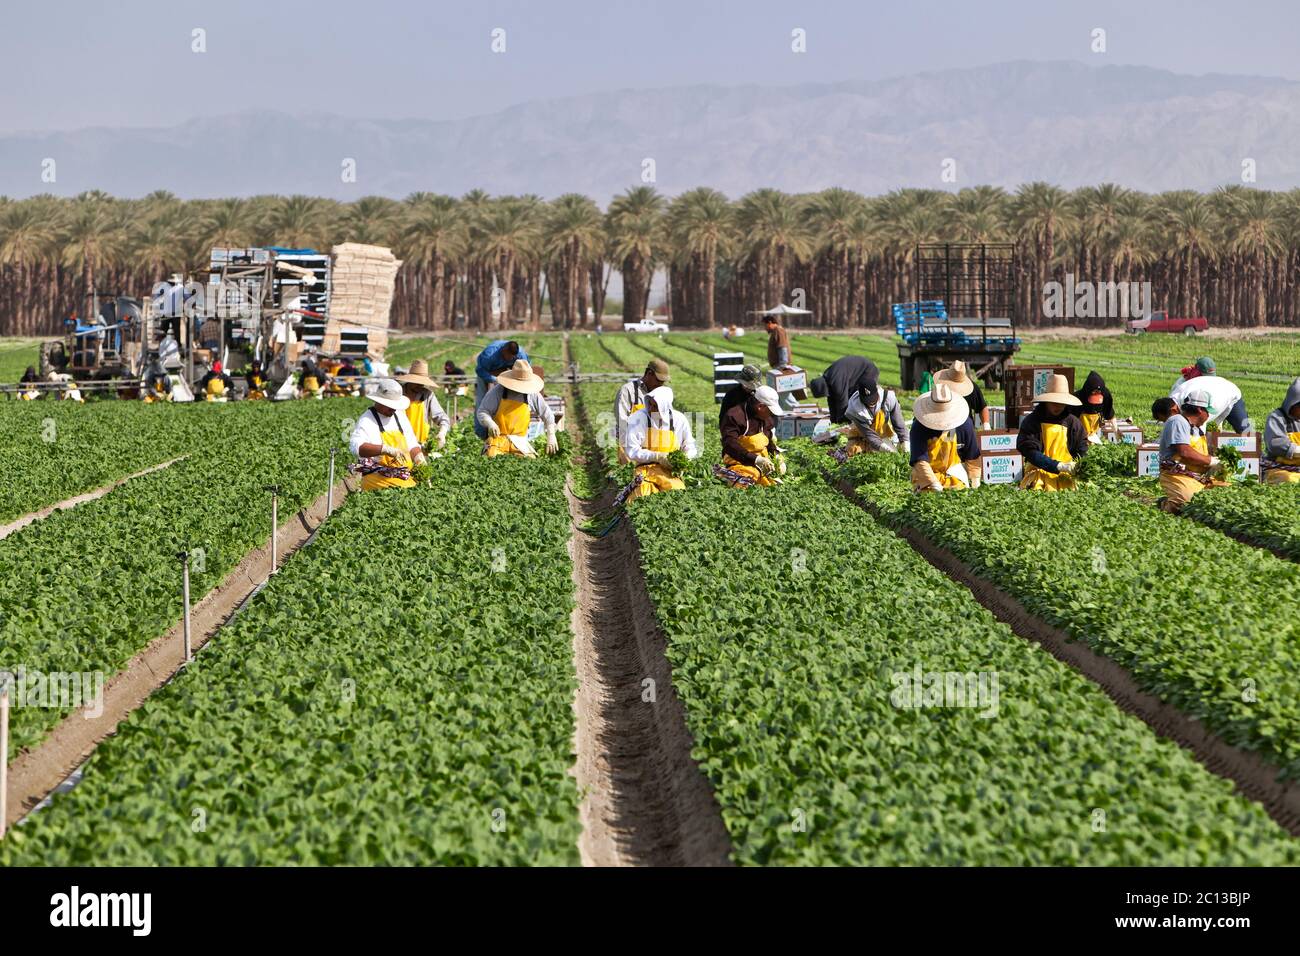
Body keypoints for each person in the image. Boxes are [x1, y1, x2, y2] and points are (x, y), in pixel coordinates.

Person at [349, 378, 425, 491]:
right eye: (390, 406)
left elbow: (411, 442)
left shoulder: (399, 415)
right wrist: (384, 449)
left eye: (395, 406)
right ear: (379, 401)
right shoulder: (367, 420)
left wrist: (419, 457)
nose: (393, 409)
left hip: (403, 478)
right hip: (378, 483)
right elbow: (356, 447)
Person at [1157, 389, 1226, 512]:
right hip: (1176, 475)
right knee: (1187, 502)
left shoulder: (1196, 429)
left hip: (1196, 477)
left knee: (1225, 492)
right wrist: (1211, 461)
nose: (1208, 416)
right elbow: (1184, 452)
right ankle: (1166, 503)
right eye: (1207, 411)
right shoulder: (1177, 421)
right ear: (1200, 410)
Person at [623, 385, 699, 498]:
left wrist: (685, 460)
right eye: (650, 404)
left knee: (676, 493)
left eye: (656, 406)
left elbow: (689, 445)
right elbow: (632, 450)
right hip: (645, 469)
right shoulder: (638, 418)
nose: (651, 409)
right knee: (643, 493)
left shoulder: (679, 419)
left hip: (669, 471)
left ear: (665, 407)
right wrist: (657, 456)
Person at [1017, 373, 1088, 491]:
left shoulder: (1074, 423)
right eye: (1054, 402)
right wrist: (1059, 466)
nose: (1058, 406)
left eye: (1061, 403)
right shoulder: (1032, 421)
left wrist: (1076, 466)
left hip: (1067, 475)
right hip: (1039, 472)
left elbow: (1082, 450)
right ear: (1046, 401)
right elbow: (1029, 451)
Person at [477, 359, 556, 458]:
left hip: (520, 442)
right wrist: (490, 423)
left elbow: (547, 415)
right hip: (498, 440)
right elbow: (483, 411)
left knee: (530, 464)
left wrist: (551, 435)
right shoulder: (498, 391)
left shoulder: (531, 394)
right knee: (490, 459)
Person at [909, 383, 980, 492]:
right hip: (926, 475)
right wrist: (933, 483)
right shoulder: (919, 427)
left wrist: (975, 480)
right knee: (927, 498)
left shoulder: (965, 425)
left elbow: (972, 456)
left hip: (954, 473)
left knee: (959, 495)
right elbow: (920, 460)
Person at [720, 384, 786, 486]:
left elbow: (768, 440)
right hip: (740, 464)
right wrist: (756, 459)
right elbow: (729, 444)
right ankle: (727, 475)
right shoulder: (735, 416)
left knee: (775, 483)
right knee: (746, 481)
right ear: (760, 407)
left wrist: (776, 456)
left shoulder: (766, 419)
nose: (771, 415)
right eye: (770, 411)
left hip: (764, 465)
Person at [615, 358, 670, 464]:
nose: (660, 385)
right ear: (649, 374)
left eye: (662, 382)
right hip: (631, 448)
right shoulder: (628, 391)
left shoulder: (661, 394)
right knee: (633, 478)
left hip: (656, 449)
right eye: (658, 381)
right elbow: (623, 422)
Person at [473, 340, 529, 434]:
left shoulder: (521, 355)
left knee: (514, 398)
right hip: (489, 372)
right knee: (482, 401)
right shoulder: (490, 354)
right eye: (509, 356)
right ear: (504, 350)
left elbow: (526, 370)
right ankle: (482, 432)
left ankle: (512, 427)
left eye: (513, 357)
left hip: (509, 373)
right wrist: (494, 379)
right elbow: (480, 370)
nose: (511, 358)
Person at [1169, 368, 1249, 434]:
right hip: (1210, 395)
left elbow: (1199, 432)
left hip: (1231, 393)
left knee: (1245, 431)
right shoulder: (1179, 388)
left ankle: (1256, 450)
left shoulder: (1203, 409)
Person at [397, 359, 452, 452]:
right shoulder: (398, 392)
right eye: (417, 382)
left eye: (422, 383)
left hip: (420, 445)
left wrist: (442, 432)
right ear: (410, 380)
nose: (420, 385)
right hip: (398, 444)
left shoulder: (427, 395)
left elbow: (442, 416)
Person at [843, 379, 909, 455]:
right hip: (862, 431)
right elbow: (869, 435)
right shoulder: (855, 409)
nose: (871, 402)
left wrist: (904, 441)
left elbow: (899, 423)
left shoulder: (889, 398)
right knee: (853, 450)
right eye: (867, 400)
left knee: (899, 450)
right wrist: (885, 448)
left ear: (877, 391)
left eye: (873, 398)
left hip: (881, 430)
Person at [809, 355, 880, 424]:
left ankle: (869, 422)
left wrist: (841, 422)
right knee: (850, 404)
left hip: (867, 371)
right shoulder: (828, 379)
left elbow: (843, 403)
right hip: (854, 375)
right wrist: (833, 420)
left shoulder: (836, 382)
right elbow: (831, 400)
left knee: (861, 399)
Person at [1262, 378, 1300, 485]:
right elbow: (1275, 445)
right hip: (1279, 469)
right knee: (1289, 479)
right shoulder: (1277, 418)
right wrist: (1296, 450)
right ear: (1292, 404)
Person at [934, 361, 990, 430]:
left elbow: (982, 407)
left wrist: (986, 426)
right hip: (943, 427)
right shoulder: (940, 387)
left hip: (965, 429)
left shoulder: (971, 387)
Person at [1073, 371, 1116, 443]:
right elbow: (1071, 422)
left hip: (1094, 434)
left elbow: (1110, 415)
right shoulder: (1077, 399)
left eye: (1098, 392)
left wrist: (1116, 431)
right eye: (1094, 392)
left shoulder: (1106, 395)